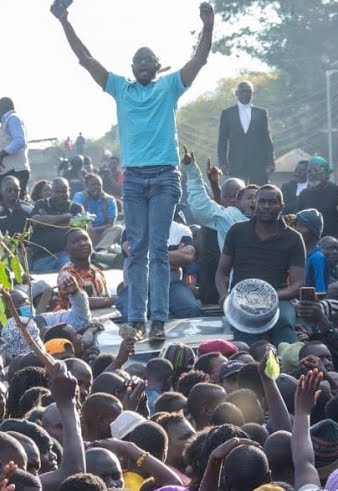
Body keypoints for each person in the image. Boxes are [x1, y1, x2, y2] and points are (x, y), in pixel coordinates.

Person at [56, 1, 216, 341]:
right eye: (138, 60)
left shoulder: (169, 86)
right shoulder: (120, 88)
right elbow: (86, 60)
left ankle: (157, 320)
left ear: (157, 66)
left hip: (162, 176)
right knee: (137, 248)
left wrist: (208, 26)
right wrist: (64, 20)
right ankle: (136, 319)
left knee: (157, 248)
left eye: (149, 60)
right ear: (132, 67)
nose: (143, 64)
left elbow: (199, 60)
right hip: (134, 179)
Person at [216, 185, 304, 344]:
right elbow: (222, 272)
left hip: (278, 298)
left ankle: (291, 364)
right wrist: (224, 296)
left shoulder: (294, 238)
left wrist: (269, 297)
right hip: (240, 300)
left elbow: (298, 283)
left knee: (285, 322)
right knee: (243, 339)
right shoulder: (237, 231)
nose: (267, 206)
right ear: (254, 204)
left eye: (272, 202)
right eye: (262, 201)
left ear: (281, 206)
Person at [217, 80, 274, 185]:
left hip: (259, 162)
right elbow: (222, 140)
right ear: (236, 93)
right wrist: (223, 163)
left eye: (248, 91)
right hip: (236, 162)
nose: (245, 94)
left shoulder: (261, 113)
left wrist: (270, 162)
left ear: (252, 94)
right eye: (242, 91)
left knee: (259, 192)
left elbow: (267, 139)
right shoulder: (227, 113)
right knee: (237, 193)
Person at [29, 178, 85, 273]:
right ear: (52, 192)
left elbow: (77, 227)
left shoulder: (76, 208)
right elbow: (36, 221)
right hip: (43, 257)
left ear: (69, 191)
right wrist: (66, 216)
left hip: (66, 254)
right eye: (57, 192)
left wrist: (48, 220)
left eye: (64, 191)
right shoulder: (41, 204)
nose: (61, 195)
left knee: (69, 274)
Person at [297, 156, 338, 239]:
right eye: (309, 171)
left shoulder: (337, 191)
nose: (312, 174)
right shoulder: (304, 194)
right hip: (310, 241)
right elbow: (298, 219)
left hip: (333, 241)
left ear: (326, 173)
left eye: (316, 170)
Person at [0, 97, 30, 196]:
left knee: (14, 204)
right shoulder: (7, 121)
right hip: (5, 173)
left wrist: (0, 155)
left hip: (13, 172)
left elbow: (20, 140)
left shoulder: (13, 118)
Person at [72, 173, 120, 250]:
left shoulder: (110, 200)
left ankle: (99, 250)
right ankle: (91, 250)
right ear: (87, 186)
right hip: (84, 232)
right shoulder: (79, 196)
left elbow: (111, 224)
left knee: (118, 228)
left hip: (102, 233)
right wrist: (89, 227)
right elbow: (78, 215)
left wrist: (95, 229)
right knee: (85, 224)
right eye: (93, 185)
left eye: (99, 185)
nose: (96, 187)